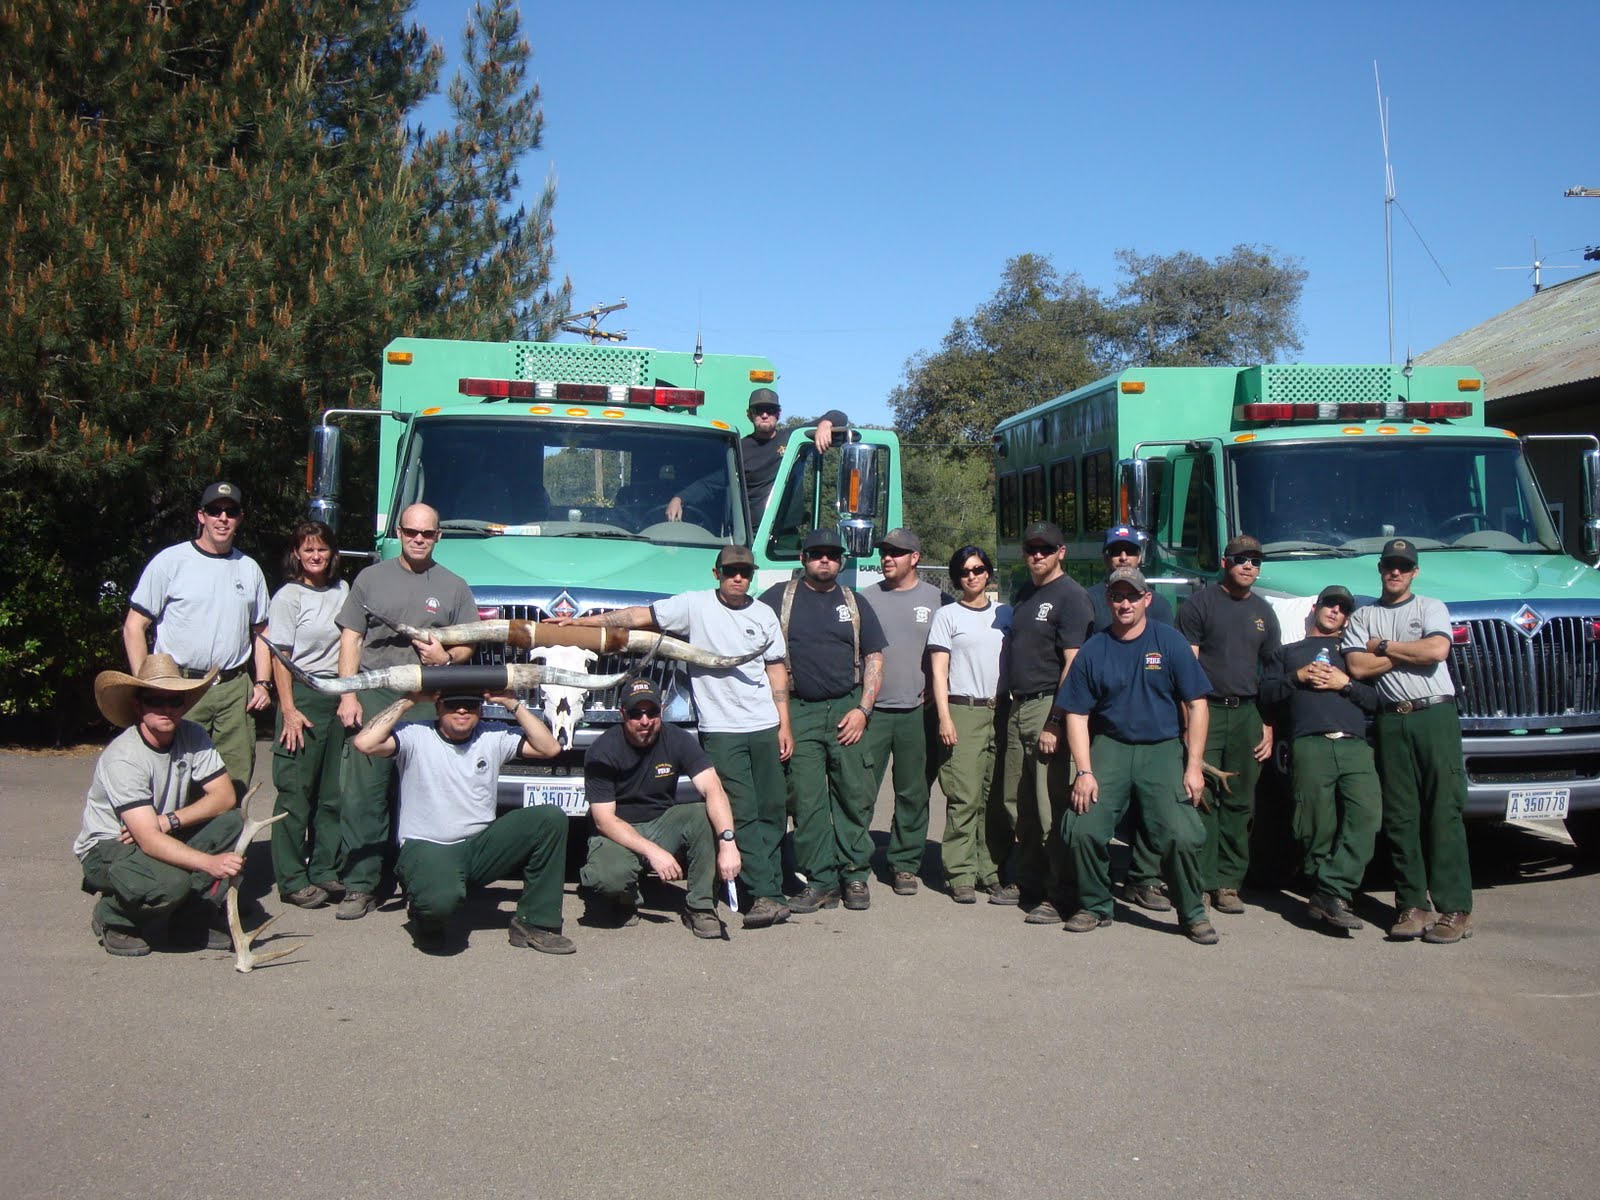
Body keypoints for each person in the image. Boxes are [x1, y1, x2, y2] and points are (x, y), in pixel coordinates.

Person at [556, 544, 793, 929]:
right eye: (731, 571)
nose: (738, 578)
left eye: (745, 572)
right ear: (716, 574)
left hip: (764, 723)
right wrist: (589, 625)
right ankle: (763, 893)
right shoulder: (694, 606)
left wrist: (783, 722)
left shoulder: (764, 614)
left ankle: (768, 885)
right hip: (723, 728)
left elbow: (776, 670)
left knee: (772, 809)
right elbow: (638, 616)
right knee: (742, 810)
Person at [1057, 568, 1218, 944]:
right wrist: (1084, 771)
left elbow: (1197, 704)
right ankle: (1095, 905)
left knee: (1181, 834)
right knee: (1082, 828)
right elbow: (1077, 713)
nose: (1124, 603)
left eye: (1132, 596)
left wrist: (1194, 765)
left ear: (1147, 600)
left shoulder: (1170, 641)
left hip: (1161, 749)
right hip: (1110, 747)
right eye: (1117, 596)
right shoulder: (1095, 649)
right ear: (1108, 600)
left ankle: (1192, 911)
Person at [333, 503, 477, 921]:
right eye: (411, 532)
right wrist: (348, 694)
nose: (418, 539)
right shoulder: (370, 578)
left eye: (426, 534)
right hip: (376, 691)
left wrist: (445, 655)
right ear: (398, 532)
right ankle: (361, 884)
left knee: (425, 796)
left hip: (427, 699)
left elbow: (469, 643)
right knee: (365, 794)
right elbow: (351, 639)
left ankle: (420, 880)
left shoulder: (453, 586)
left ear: (438, 537)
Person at [350, 686, 573, 954]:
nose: (462, 710)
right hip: (428, 847)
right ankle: (426, 916)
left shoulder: (492, 735)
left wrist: (512, 704)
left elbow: (549, 748)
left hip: (478, 847)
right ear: (438, 707)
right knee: (439, 903)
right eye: (452, 705)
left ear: (480, 709)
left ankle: (534, 923)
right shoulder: (415, 733)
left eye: (470, 704)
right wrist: (407, 702)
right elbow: (364, 743)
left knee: (549, 818)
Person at [1343, 538, 1475, 944]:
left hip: (1434, 714)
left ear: (1415, 571)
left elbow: (1437, 649)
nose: (1395, 572)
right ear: (1380, 569)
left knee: (1443, 809)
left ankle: (1454, 908)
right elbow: (1357, 666)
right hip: (1391, 718)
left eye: (1403, 566)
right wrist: (1408, 653)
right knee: (1400, 815)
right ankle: (1412, 905)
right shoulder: (1363, 614)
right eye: (1389, 565)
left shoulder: (1430, 607)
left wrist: (1385, 646)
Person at [73, 655, 244, 956]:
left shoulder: (194, 734)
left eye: (175, 702)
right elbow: (148, 840)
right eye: (155, 700)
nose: (167, 709)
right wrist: (209, 863)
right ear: (138, 705)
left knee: (233, 822)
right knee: (173, 883)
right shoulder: (124, 756)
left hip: (157, 830)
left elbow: (225, 796)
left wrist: (169, 821)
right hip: (109, 846)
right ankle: (114, 917)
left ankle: (188, 919)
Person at [758, 528, 888, 912]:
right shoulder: (778, 598)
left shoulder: (855, 602)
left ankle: (855, 875)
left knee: (853, 794)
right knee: (807, 798)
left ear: (841, 559)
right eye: (817, 554)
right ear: (803, 558)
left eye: (832, 554)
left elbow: (875, 658)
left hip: (848, 707)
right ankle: (821, 881)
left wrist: (863, 710)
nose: (825, 560)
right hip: (799, 710)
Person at [122, 480, 273, 798]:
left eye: (230, 512)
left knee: (235, 781)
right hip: (180, 688)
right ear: (200, 516)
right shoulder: (171, 562)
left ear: (239, 519)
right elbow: (134, 627)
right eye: (215, 511)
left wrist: (263, 683)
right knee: (177, 781)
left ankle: (229, 847)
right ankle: (172, 846)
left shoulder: (249, 569)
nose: (222, 518)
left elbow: (262, 633)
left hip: (234, 690)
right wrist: (146, 685)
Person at [1259, 585, 1381, 932]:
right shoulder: (1288, 652)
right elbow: (1265, 694)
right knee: (1314, 825)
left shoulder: (1353, 655)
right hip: (1309, 744)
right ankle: (1329, 896)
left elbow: (1376, 701)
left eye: (1343, 608)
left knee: (1367, 817)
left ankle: (1331, 891)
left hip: (1354, 745)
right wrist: (1296, 677)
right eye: (1331, 604)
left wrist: (1345, 684)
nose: (1336, 611)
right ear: (1315, 607)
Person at [580, 678, 742, 939]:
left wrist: (728, 842)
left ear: (661, 710)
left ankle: (700, 906)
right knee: (607, 877)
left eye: (652, 712)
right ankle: (626, 898)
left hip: (661, 822)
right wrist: (654, 853)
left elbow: (713, 787)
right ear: (622, 713)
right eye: (635, 713)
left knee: (703, 814)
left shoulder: (677, 738)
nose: (645, 721)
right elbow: (603, 821)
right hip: (619, 828)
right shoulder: (602, 750)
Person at [1175, 533, 1281, 914]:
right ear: (1225, 563)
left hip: (1248, 713)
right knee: (1202, 797)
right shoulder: (1199, 605)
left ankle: (1229, 883)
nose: (1248, 565)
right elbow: (1187, 668)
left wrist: (1268, 723)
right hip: (1208, 710)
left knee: (1239, 800)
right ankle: (1201, 880)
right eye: (1241, 559)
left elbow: (1271, 672)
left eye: (1255, 560)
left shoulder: (1264, 613)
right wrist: (1188, 723)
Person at [1000, 521, 1094, 925]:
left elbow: (1073, 663)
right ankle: (1029, 880)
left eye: (1045, 549)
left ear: (1061, 552)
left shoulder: (1072, 597)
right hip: (1018, 706)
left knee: (1049, 805)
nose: (1036, 555)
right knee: (1018, 802)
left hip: (1047, 706)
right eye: (1031, 549)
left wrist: (1056, 720)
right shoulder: (1026, 592)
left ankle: (1062, 893)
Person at [860, 527, 951, 896]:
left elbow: (951, 649)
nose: (887, 558)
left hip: (917, 710)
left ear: (915, 557)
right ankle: (853, 860)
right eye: (884, 552)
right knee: (860, 791)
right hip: (872, 712)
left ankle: (905, 864)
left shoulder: (938, 599)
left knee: (913, 792)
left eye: (896, 553)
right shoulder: (864, 598)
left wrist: (939, 687)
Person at [1089, 524, 1175, 914]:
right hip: (1101, 716)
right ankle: (1096, 879)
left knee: (1148, 806)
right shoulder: (1091, 598)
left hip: (1149, 717)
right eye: (1115, 552)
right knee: (1098, 804)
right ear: (1105, 557)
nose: (1122, 557)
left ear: (1141, 556)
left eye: (1129, 551)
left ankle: (1143, 877)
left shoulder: (1162, 606)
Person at [265, 520, 349, 909]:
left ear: (332, 553)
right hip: (301, 693)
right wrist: (289, 709)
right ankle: (292, 878)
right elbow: (279, 657)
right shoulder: (287, 597)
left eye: (322, 549)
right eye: (308, 549)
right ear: (297, 553)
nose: (316, 556)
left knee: (332, 792)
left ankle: (324, 869)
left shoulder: (343, 591)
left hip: (337, 693)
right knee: (295, 792)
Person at [927, 545, 1012, 903]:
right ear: (957, 577)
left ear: (988, 573)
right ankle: (960, 872)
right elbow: (939, 669)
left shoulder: (1007, 614)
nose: (972, 576)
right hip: (963, 708)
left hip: (1001, 710)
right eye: (964, 571)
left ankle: (989, 869)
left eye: (978, 570)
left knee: (994, 797)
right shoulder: (948, 616)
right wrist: (944, 716)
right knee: (964, 795)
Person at [666, 389, 848, 525]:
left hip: (784, 536)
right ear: (749, 414)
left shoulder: (794, 438)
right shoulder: (740, 449)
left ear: (778, 414)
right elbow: (712, 483)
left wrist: (825, 423)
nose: (765, 414)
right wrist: (680, 498)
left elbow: (839, 416)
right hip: (751, 533)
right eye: (758, 410)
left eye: (771, 409)